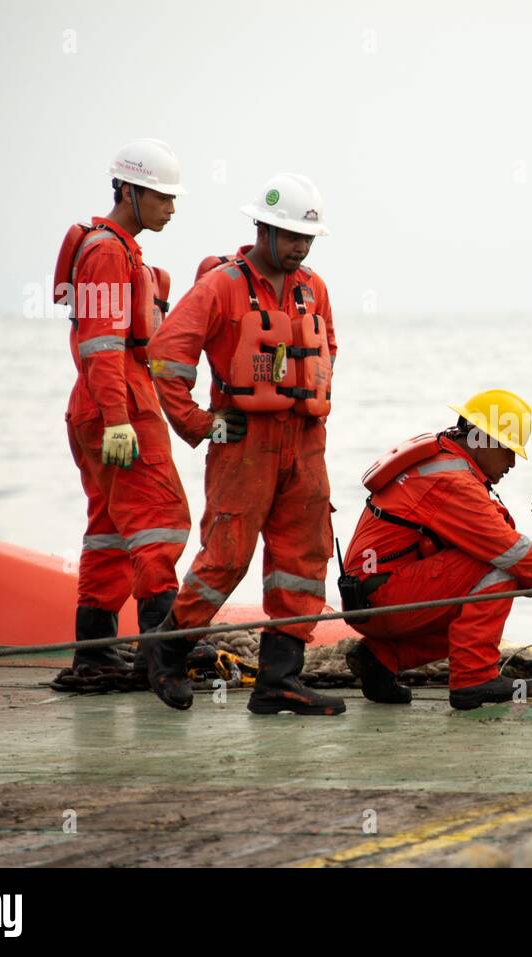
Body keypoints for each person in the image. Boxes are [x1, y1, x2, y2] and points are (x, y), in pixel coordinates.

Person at [144, 173, 341, 715]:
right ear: (262, 229)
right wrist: (200, 422)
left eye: (307, 238)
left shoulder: (313, 288)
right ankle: (165, 650)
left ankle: (279, 679)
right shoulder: (221, 286)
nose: (300, 247)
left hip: (304, 443)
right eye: (291, 235)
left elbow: (329, 349)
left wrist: (311, 401)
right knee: (225, 556)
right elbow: (165, 358)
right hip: (244, 443)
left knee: (303, 558)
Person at [341, 390, 532, 710]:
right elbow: (512, 553)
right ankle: (475, 679)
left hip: (373, 596)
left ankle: (380, 659)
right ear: (483, 439)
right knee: (500, 567)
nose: (512, 463)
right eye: (508, 451)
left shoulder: (442, 464)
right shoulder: (452, 481)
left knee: (487, 587)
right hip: (383, 597)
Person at [58, 139, 191, 675]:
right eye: (161, 197)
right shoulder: (108, 252)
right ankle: (158, 653)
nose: (171, 209)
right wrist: (117, 419)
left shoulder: (114, 249)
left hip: (97, 404)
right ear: (130, 192)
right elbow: (102, 343)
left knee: (112, 530)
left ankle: (95, 654)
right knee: (161, 520)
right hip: (118, 406)